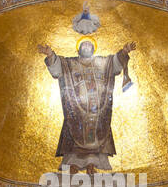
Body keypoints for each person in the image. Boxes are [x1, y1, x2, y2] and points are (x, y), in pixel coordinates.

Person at [39, 38, 136, 173]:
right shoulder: (70, 63)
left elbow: (114, 64)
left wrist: (124, 51)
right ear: (78, 49)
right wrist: (50, 55)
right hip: (76, 110)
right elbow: (57, 70)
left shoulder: (102, 62)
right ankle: (73, 164)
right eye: (83, 44)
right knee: (74, 133)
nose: (86, 46)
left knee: (95, 136)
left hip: (97, 110)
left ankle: (92, 164)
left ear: (93, 48)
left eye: (89, 44)